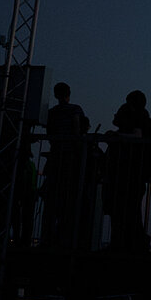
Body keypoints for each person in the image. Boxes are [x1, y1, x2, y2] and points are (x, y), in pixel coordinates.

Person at [104, 90, 151, 253]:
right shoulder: (142, 118)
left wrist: (117, 135)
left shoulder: (140, 118)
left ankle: (128, 244)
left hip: (131, 173)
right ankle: (130, 243)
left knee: (127, 210)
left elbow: (137, 135)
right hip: (133, 172)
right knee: (129, 210)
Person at [42, 82, 89, 248]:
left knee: (52, 197)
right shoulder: (75, 109)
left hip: (55, 156)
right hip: (70, 157)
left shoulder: (52, 113)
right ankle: (65, 237)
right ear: (69, 93)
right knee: (69, 197)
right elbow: (78, 127)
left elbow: (49, 134)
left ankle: (48, 237)